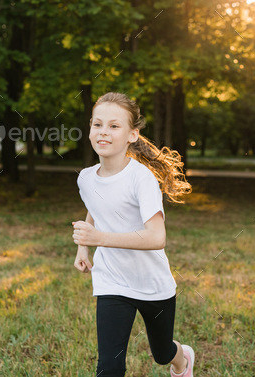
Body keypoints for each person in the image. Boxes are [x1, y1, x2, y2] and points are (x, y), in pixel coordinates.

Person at [72, 92, 194, 377]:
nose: (103, 132)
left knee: (162, 354)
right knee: (110, 367)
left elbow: (156, 238)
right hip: (112, 282)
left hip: (153, 285)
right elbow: (96, 205)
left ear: (131, 135)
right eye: (97, 124)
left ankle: (183, 358)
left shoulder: (142, 179)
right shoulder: (86, 178)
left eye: (114, 126)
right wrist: (84, 247)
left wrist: (99, 238)